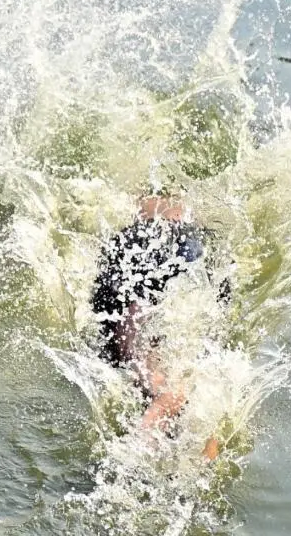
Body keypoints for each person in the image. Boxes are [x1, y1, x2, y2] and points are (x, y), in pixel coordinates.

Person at [91, 194, 229, 459]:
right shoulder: (191, 228)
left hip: (155, 252)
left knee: (138, 355)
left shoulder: (139, 232)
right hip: (186, 256)